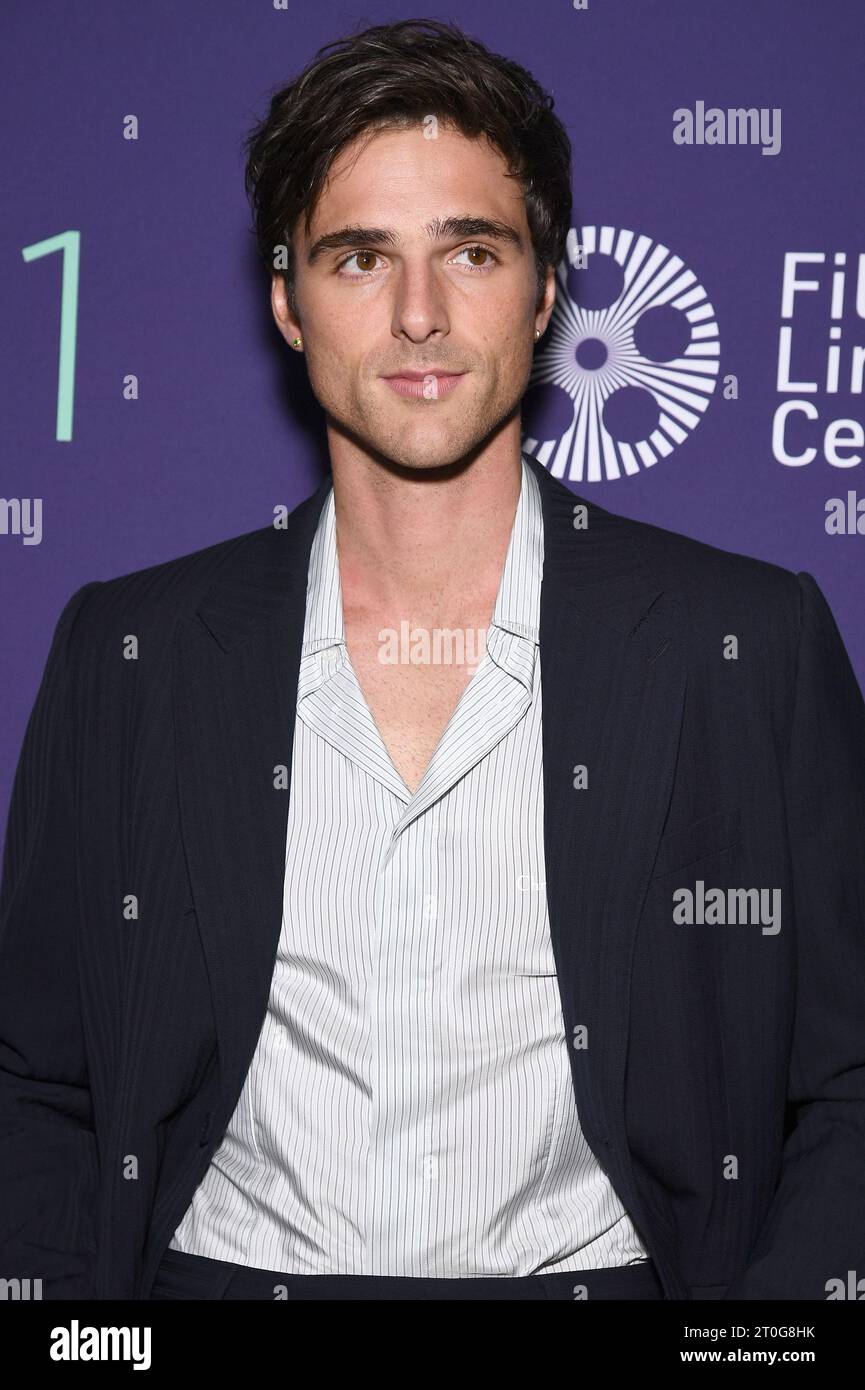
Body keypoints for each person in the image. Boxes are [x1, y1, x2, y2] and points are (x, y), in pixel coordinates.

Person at [1, 18, 863, 1303]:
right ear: (288, 298)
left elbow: (844, 1088)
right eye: (360, 258)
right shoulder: (128, 651)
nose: (419, 314)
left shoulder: (741, 643)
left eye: (471, 249)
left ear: (546, 287)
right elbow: (36, 1086)